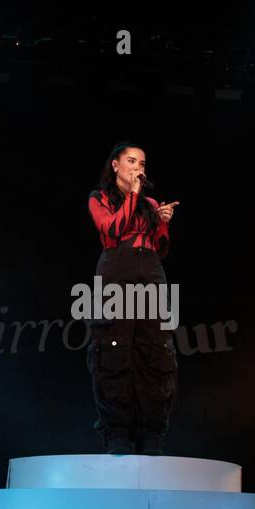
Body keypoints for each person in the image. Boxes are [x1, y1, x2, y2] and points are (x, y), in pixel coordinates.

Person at [85, 141, 179, 455]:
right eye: (131, 161)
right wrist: (135, 196)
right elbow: (112, 230)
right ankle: (117, 433)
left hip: (150, 270)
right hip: (116, 269)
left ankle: (151, 432)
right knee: (114, 347)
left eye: (142, 162)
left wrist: (162, 221)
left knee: (155, 349)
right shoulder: (99, 198)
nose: (138, 167)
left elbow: (161, 248)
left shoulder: (149, 203)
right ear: (115, 165)